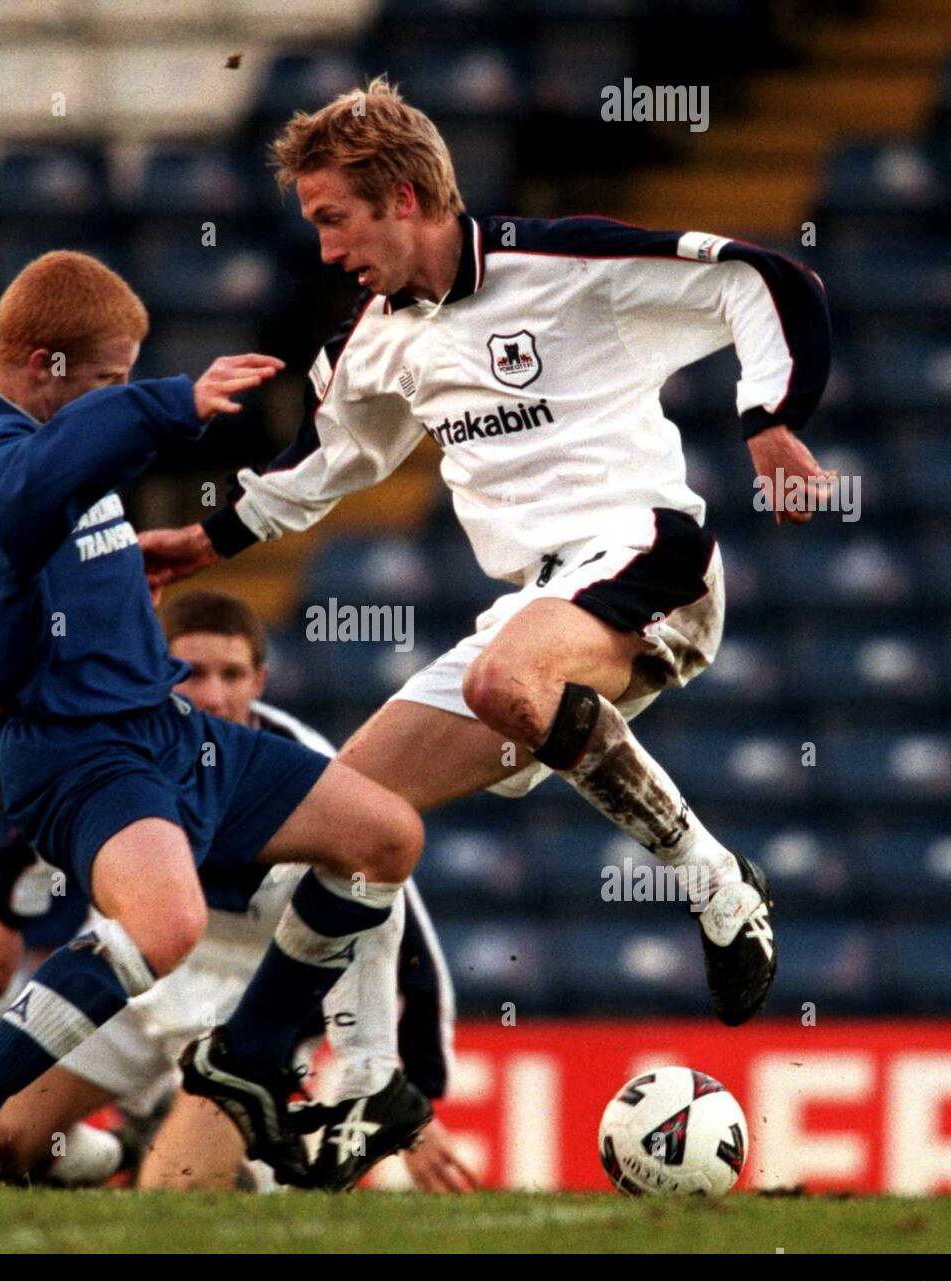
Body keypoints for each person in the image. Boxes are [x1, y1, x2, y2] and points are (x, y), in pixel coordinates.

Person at [142, 78, 837, 1028]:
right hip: (540, 603)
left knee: (505, 681)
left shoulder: (562, 264)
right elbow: (330, 457)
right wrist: (209, 538)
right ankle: (282, 1066)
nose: (326, 248)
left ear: (405, 199)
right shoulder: (376, 342)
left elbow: (767, 280)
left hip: (649, 556)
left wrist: (770, 420)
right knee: (343, 821)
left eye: (335, 218)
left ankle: (715, 882)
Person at [0, 250, 428, 1188]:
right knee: (165, 927)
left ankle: (247, 1061)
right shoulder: (2, 457)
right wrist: (166, 402)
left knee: (385, 836)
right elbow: (37, 485)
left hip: (174, 732)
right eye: (105, 380)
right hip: (83, 750)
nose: (112, 396)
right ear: (47, 364)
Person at [0, 589, 470, 1193]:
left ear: (261, 680)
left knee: (175, 1194)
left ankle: (167, 1143)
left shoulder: (313, 777)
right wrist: (4, 921)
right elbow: (45, 823)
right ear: (153, 671)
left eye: (232, 674)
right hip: (133, 980)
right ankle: (120, 1146)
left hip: (249, 1015)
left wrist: (417, 1096)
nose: (214, 696)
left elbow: (404, 941)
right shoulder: (112, 740)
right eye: (191, 673)